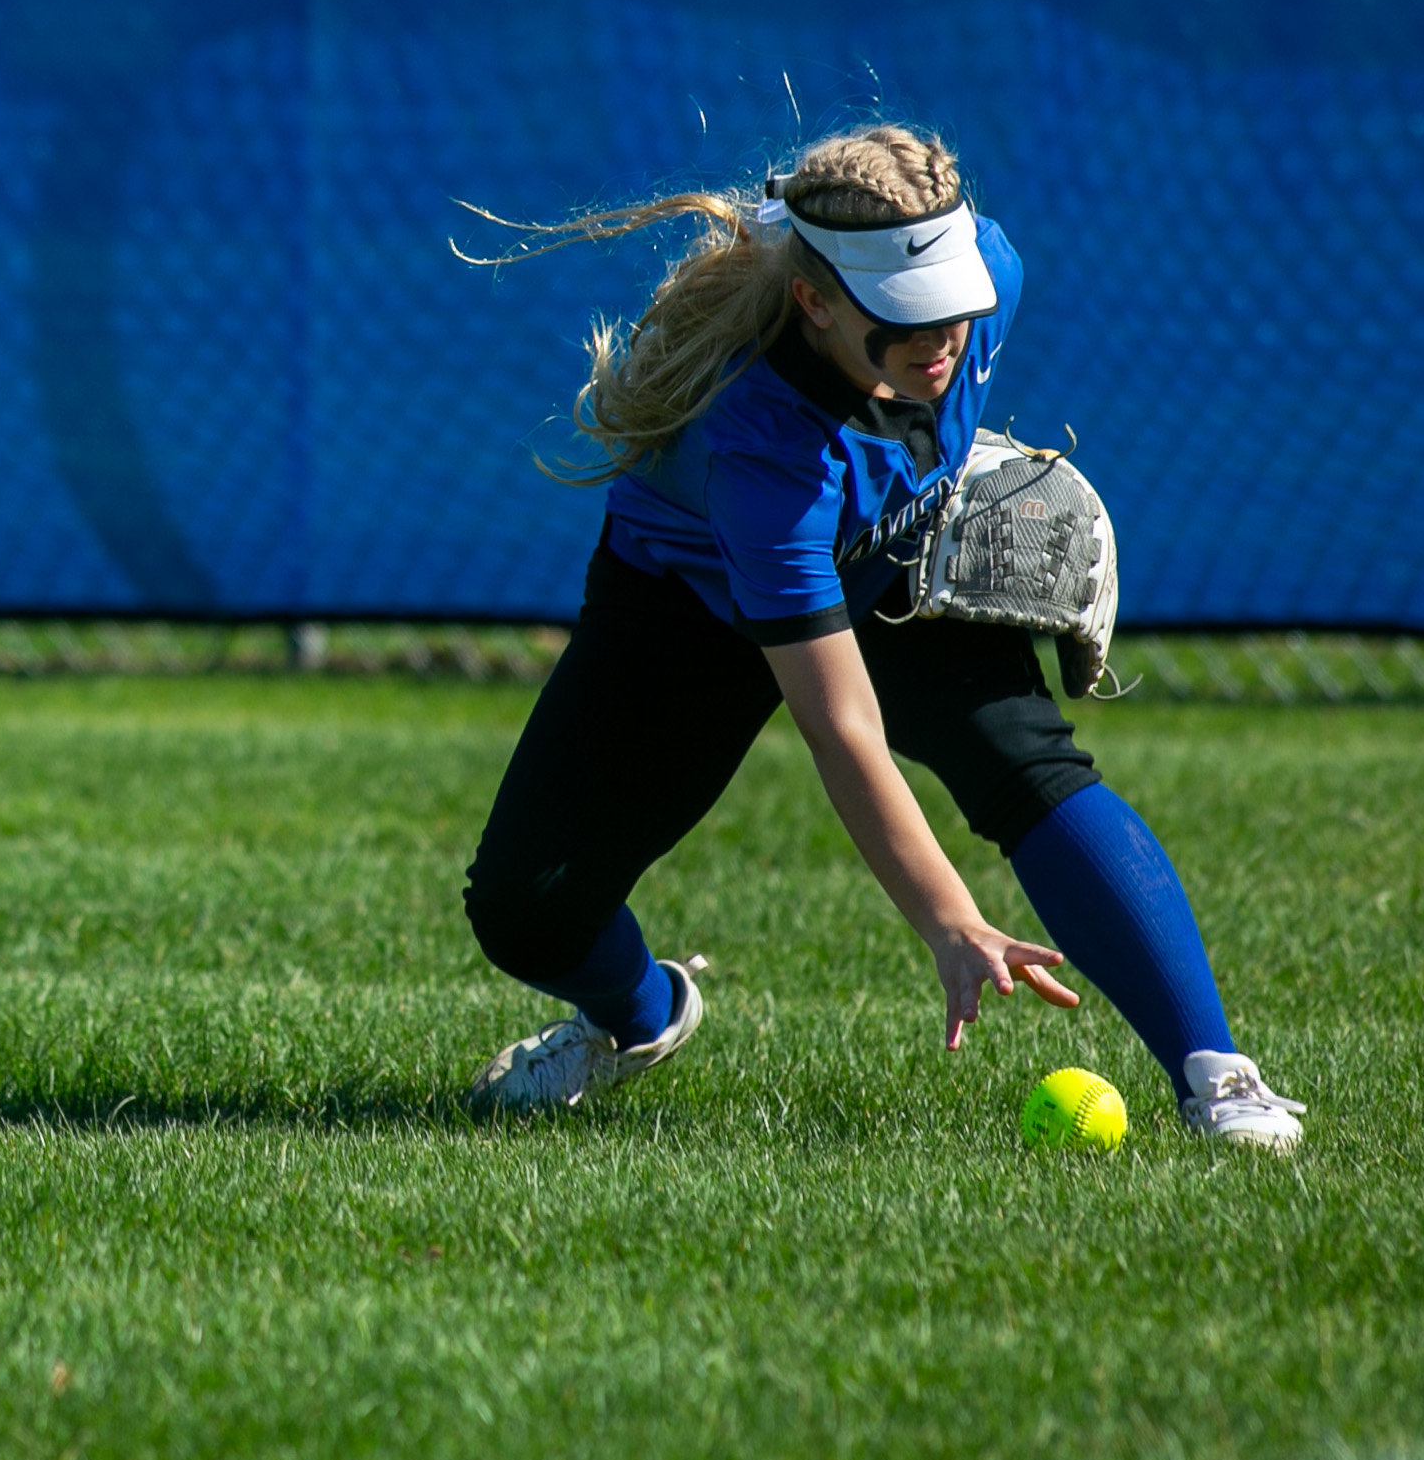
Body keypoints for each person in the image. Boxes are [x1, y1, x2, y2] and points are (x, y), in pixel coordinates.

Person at [461, 124, 1306, 1147]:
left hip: (881, 555)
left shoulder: (986, 271)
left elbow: (938, 347)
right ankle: (638, 1016)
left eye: (949, 298)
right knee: (524, 909)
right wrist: (949, 918)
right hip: (692, 597)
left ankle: (1218, 1077)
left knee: (1024, 762)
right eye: (904, 314)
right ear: (813, 302)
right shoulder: (760, 443)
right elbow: (842, 727)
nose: (942, 333)